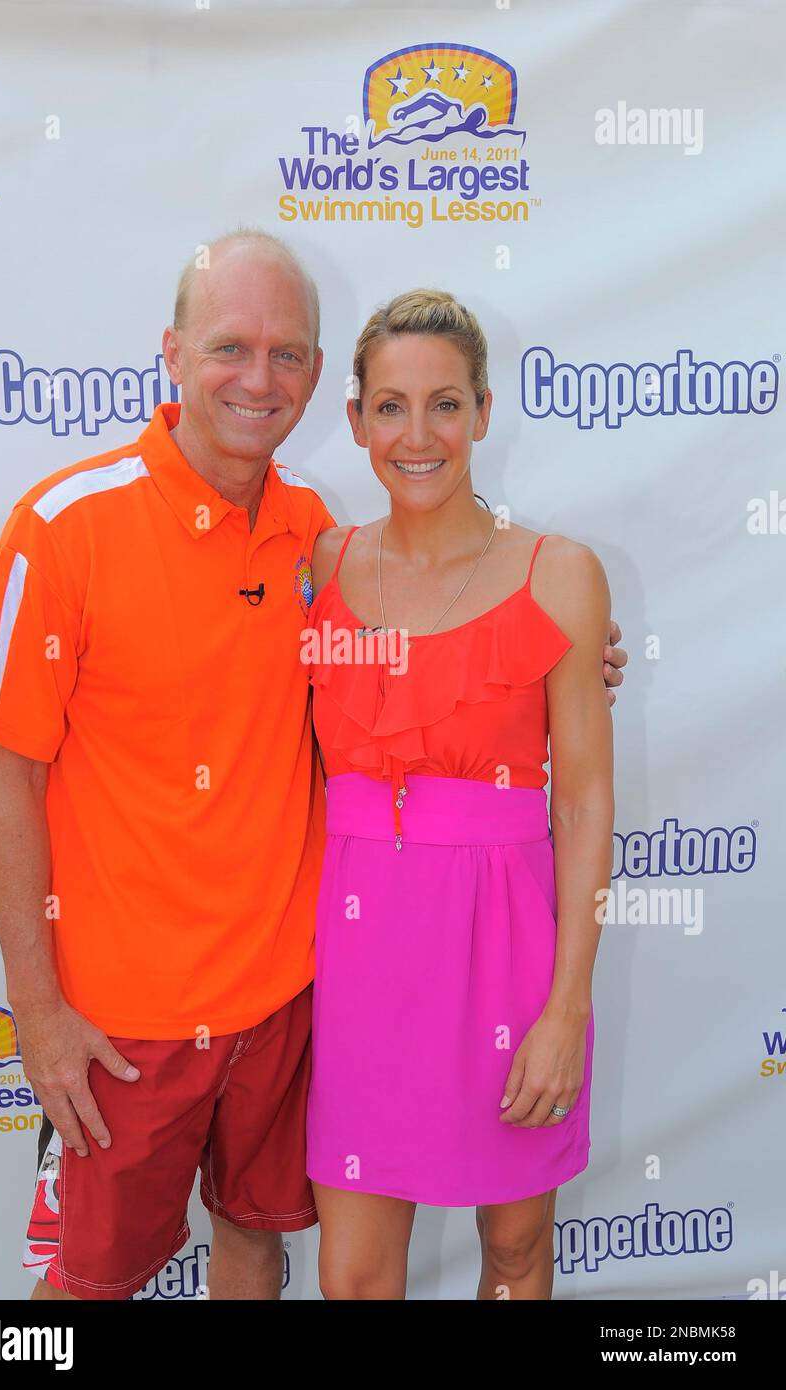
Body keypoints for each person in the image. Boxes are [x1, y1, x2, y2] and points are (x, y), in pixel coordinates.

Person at [0, 230, 626, 1301]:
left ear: (321, 381)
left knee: (266, 1248)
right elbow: (3, 775)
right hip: (141, 1013)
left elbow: (499, 694)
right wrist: (37, 1009)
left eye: (286, 354)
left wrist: (572, 659)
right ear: (172, 352)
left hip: (295, 995)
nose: (258, 378)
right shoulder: (78, 527)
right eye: (231, 346)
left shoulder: (309, 538)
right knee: (96, 1277)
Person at [303, 288, 614, 1301]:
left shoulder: (560, 573)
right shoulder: (323, 562)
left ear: (484, 411)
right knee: (353, 1278)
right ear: (355, 421)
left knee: (517, 1255)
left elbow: (584, 804)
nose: (418, 433)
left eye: (445, 403)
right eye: (390, 407)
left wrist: (567, 1006)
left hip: (509, 954)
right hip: (359, 952)